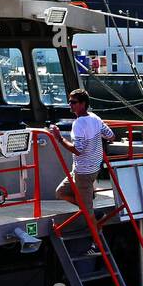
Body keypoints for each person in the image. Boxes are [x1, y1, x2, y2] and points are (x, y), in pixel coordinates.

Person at [50, 88, 115, 241]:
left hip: (83, 173)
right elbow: (111, 136)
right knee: (60, 192)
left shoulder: (78, 124)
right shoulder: (95, 118)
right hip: (90, 169)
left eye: (73, 102)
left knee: (88, 213)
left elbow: (77, 150)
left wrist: (59, 138)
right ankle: (87, 206)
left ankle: (96, 240)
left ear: (83, 104)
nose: (69, 105)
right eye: (69, 102)